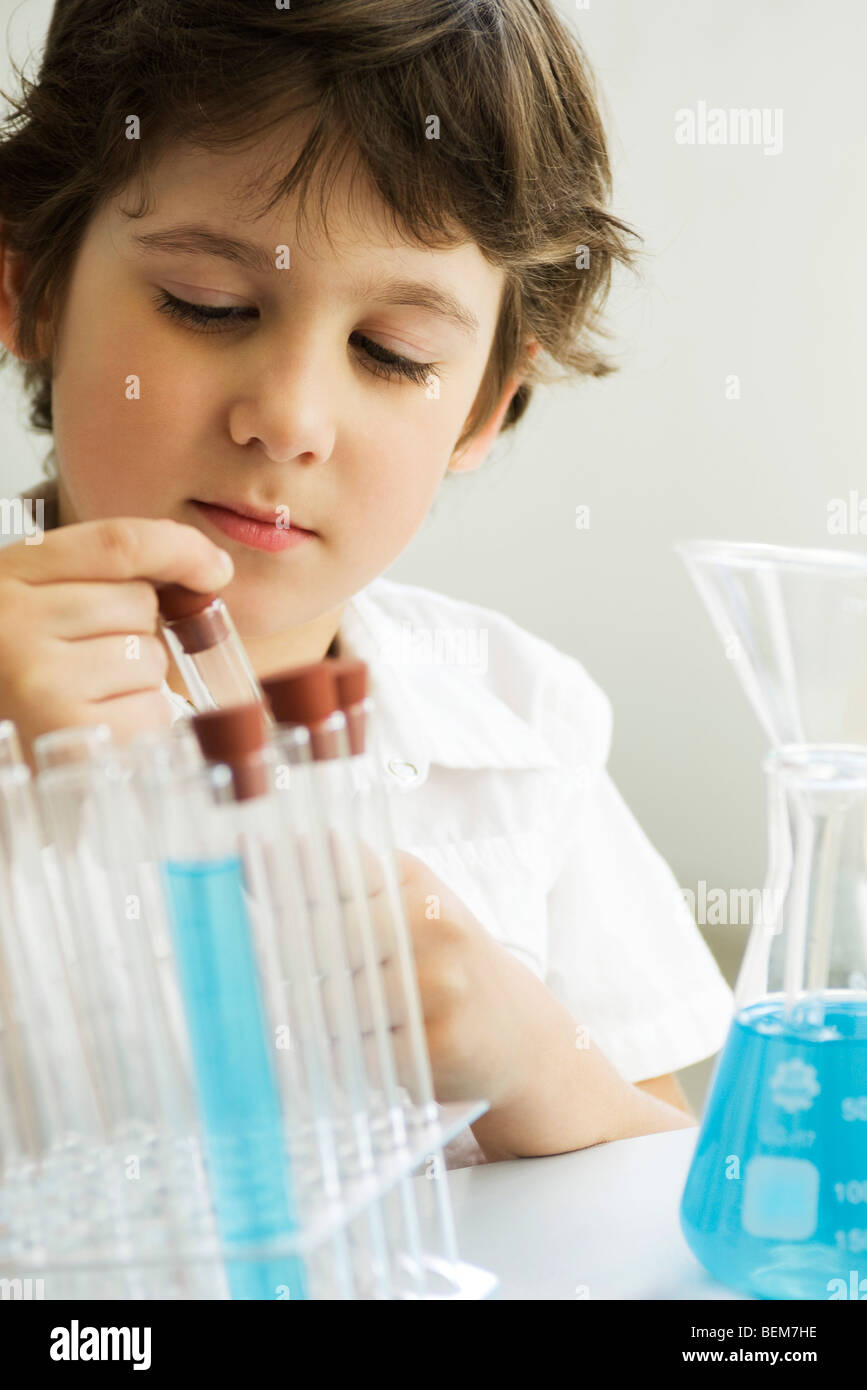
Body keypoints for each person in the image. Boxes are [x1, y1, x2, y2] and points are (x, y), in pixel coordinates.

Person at [0, 0, 733, 1163]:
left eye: (392, 352)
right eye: (209, 306)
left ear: (485, 406)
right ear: (31, 290)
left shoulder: (521, 728)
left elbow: (652, 1180)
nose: (288, 419)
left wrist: (531, 1056)